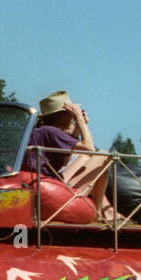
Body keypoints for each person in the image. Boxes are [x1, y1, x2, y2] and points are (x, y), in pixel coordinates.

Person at [21, 90, 116, 221]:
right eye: (71, 116)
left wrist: (77, 128)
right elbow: (90, 148)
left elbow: (67, 159)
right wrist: (81, 121)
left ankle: (105, 212)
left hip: (45, 182)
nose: (72, 119)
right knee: (103, 155)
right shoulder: (50, 131)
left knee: (84, 158)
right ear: (64, 116)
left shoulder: (42, 131)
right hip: (51, 189)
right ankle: (99, 213)